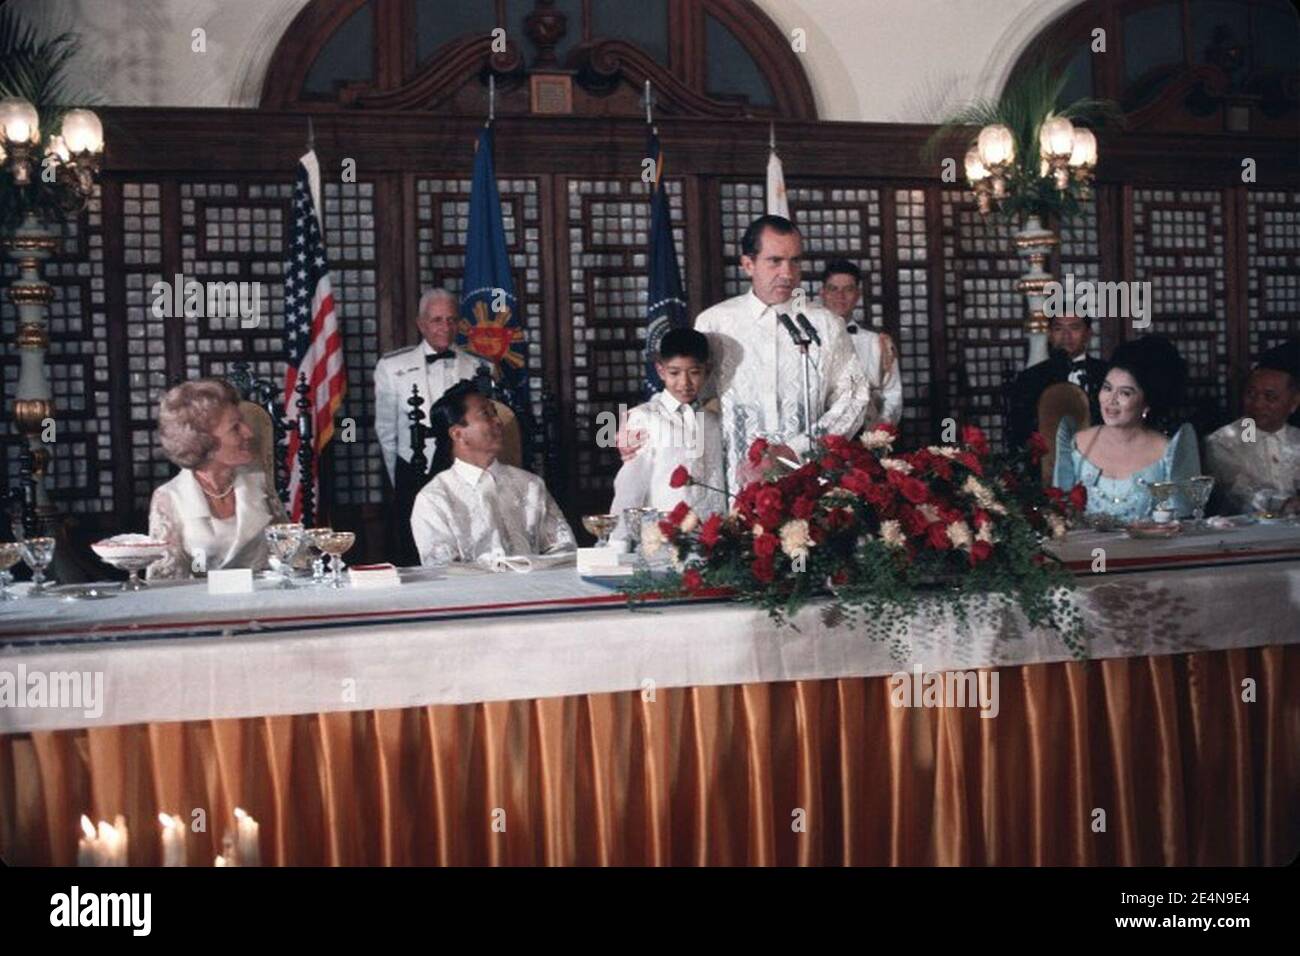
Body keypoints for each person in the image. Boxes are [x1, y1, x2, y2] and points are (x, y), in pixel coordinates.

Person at [663, 215, 868, 492]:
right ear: (748, 264)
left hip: (810, 481)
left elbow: (854, 396)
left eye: (795, 261)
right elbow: (687, 392)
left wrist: (797, 449)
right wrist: (640, 423)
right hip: (733, 483)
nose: (787, 272)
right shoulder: (715, 323)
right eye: (775, 261)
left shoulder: (826, 324)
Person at [374, 288, 489, 561]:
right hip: (412, 470)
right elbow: (386, 431)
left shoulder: (479, 367)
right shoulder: (391, 367)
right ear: (421, 323)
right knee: (413, 546)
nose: (445, 327)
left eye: (451, 320)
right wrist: (399, 477)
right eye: (437, 320)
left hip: (464, 470)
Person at [410, 380, 575, 565]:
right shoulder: (434, 498)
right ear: (458, 434)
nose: (498, 421)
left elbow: (565, 549)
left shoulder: (530, 484)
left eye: (495, 413)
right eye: (486, 414)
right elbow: (443, 571)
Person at [147, 378, 287, 579]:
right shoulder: (170, 497)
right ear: (204, 441)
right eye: (235, 427)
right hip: (203, 606)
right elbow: (164, 580)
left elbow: (291, 555)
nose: (248, 433)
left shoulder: (259, 483)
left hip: (264, 601)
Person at [1053, 336, 1201, 522]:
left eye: (1125, 393)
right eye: (1107, 388)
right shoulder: (1077, 444)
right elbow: (1059, 514)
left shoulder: (1168, 452)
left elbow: (1182, 523)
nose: (1111, 400)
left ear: (1147, 403)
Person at [609, 328, 726, 537]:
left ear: (707, 371)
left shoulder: (714, 420)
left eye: (694, 372)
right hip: (664, 536)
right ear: (661, 371)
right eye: (674, 373)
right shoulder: (644, 418)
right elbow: (630, 486)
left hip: (713, 536)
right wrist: (619, 541)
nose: (685, 383)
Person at [1204, 364, 1300, 514]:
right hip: (1245, 530)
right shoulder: (1225, 440)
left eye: (1270, 397)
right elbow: (1240, 492)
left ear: (1293, 403)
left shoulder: (1296, 438)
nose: (1258, 404)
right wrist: (1285, 504)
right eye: (1251, 394)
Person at [819, 258, 902, 428]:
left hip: (867, 435)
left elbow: (893, 394)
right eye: (833, 289)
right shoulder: (807, 341)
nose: (840, 296)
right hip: (818, 438)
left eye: (848, 289)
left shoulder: (878, 343)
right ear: (822, 293)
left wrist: (879, 431)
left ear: (858, 295)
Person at [1006, 313, 1108, 448]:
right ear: (1049, 334)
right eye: (1058, 329)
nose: (1066, 336)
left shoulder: (1107, 373)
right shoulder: (1030, 378)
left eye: (1074, 328)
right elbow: (1018, 432)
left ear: (1089, 333)